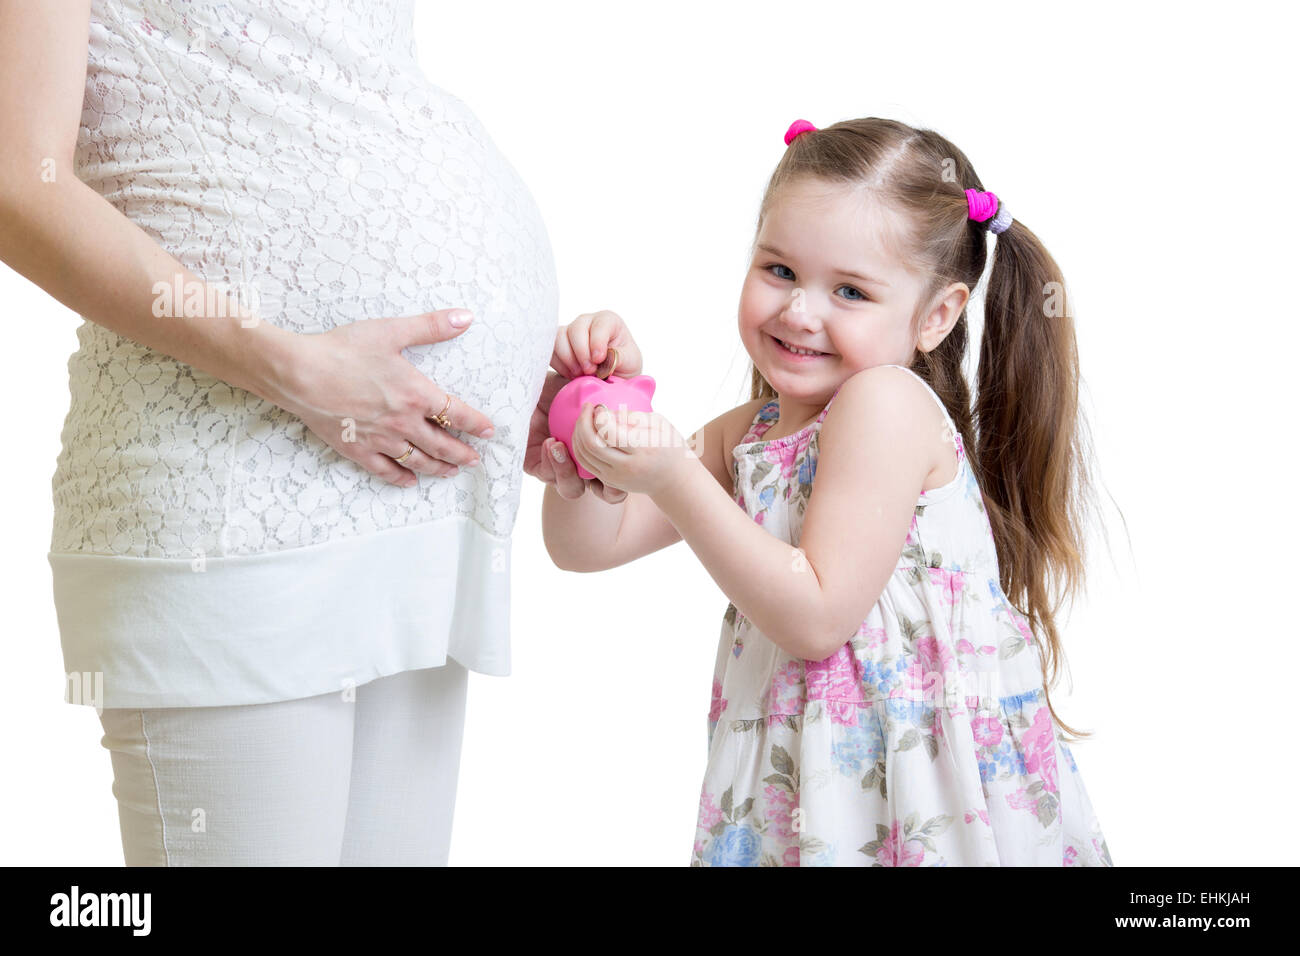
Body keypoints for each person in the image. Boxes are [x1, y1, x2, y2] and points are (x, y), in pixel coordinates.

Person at [1, 0, 632, 865]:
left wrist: (487, 389)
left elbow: (321, 92)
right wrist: (295, 369)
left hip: (413, 497)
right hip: (226, 500)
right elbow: (15, 181)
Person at [539, 116, 1116, 866]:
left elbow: (815, 616)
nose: (799, 311)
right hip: (800, 788)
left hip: (917, 799)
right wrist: (593, 445)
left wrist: (672, 475)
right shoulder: (748, 431)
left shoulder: (887, 405)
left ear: (936, 316)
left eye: (849, 290)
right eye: (778, 269)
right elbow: (587, 549)